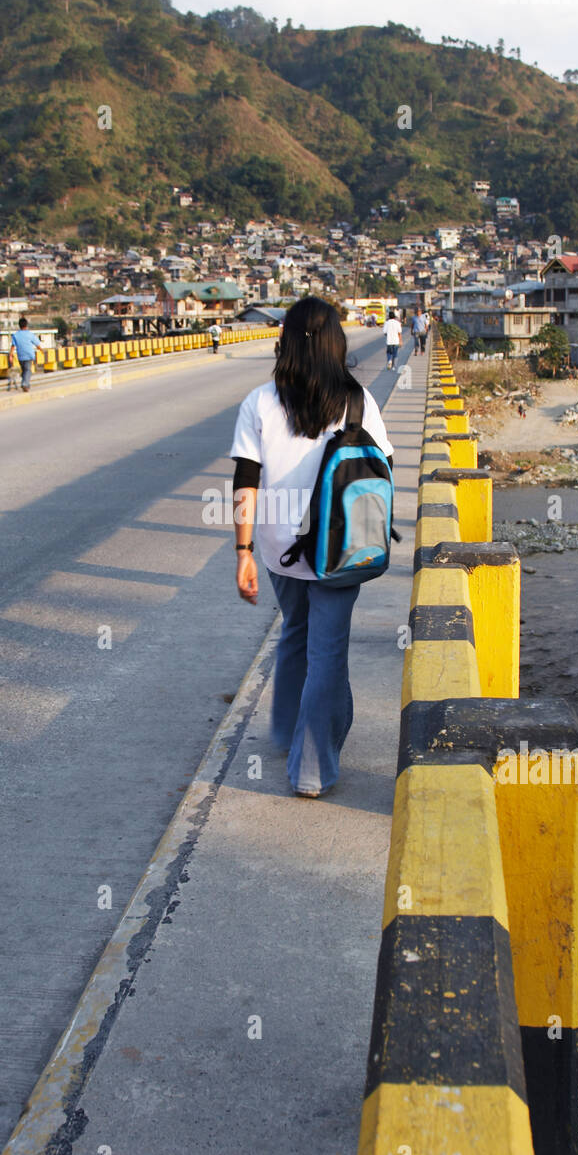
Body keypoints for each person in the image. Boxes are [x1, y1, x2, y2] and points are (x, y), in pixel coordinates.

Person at [230, 296, 393, 798]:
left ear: (285, 342)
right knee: (327, 653)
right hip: (341, 546)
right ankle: (311, 769)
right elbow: (382, 468)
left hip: (280, 549)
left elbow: (245, 480)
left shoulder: (259, 402)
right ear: (335, 343)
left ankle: (287, 731)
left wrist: (243, 552)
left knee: (295, 633)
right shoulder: (357, 400)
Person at [10, 316, 42, 392]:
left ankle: (26, 385)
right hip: (29, 355)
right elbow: (37, 344)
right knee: (28, 370)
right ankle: (25, 384)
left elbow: (13, 346)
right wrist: (42, 350)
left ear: (19, 325)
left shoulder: (16, 335)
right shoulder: (30, 334)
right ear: (26, 325)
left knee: (24, 370)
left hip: (20, 356)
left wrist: (10, 355)